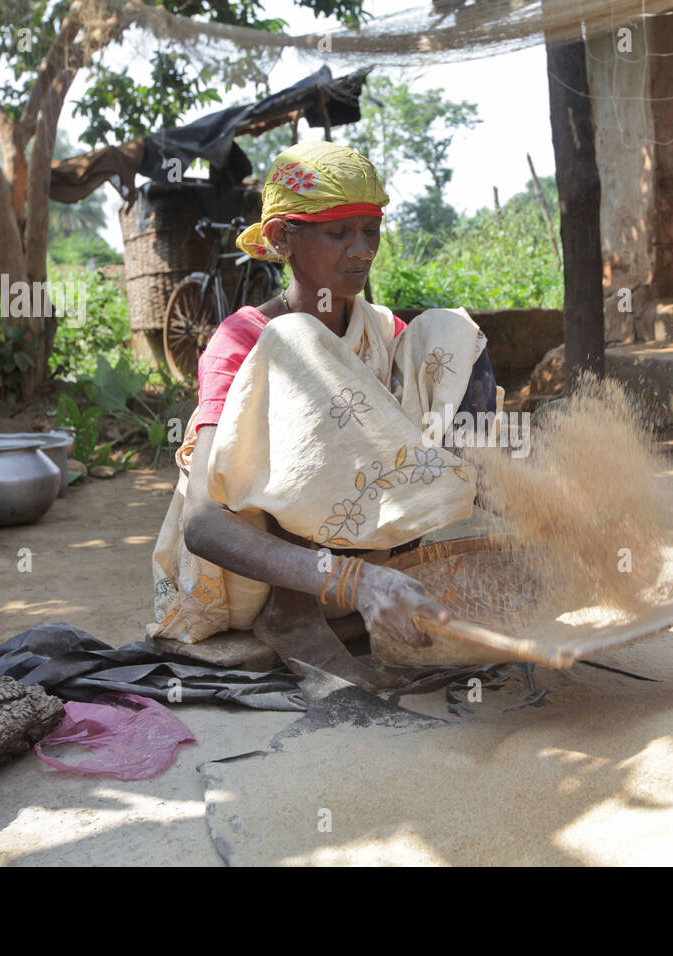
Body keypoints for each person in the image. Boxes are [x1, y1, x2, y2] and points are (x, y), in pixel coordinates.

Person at [146, 141, 502, 690]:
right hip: (261, 576)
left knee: (450, 333)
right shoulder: (243, 339)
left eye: (371, 230)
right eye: (339, 233)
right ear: (284, 238)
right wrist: (355, 583)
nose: (362, 250)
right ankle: (294, 618)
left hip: (369, 569)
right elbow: (201, 525)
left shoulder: (382, 332)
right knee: (298, 340)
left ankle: (405, 573)